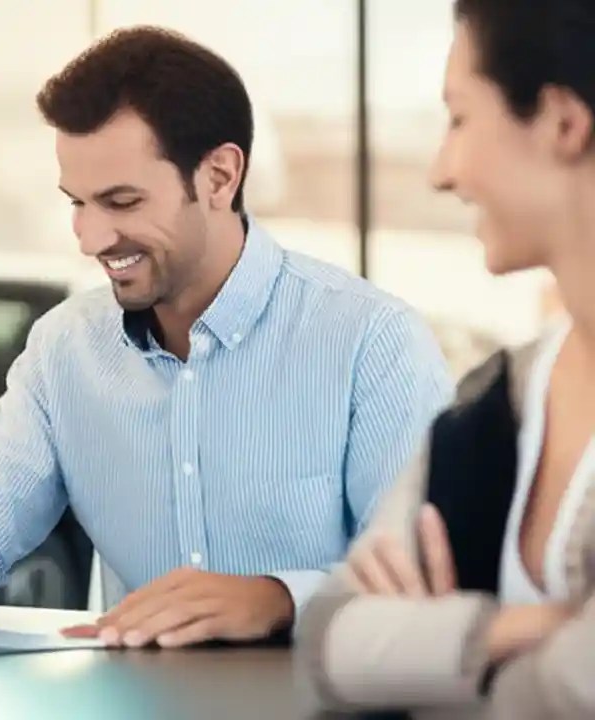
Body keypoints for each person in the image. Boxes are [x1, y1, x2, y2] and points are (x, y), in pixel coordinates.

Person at [0, 26, 453, 648]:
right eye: (78, 202)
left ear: (219, 177)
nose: (90, 238)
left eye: (121, 202)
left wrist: (279, 598)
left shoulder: (371, 342)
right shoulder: (65, 350)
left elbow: (428, 583)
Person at [297, 1, 595, 716]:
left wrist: (429, 657)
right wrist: (528, 630)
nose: (441, 170)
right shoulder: (494, 400)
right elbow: (328, 636)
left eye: (459, 118)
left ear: (562, 120)